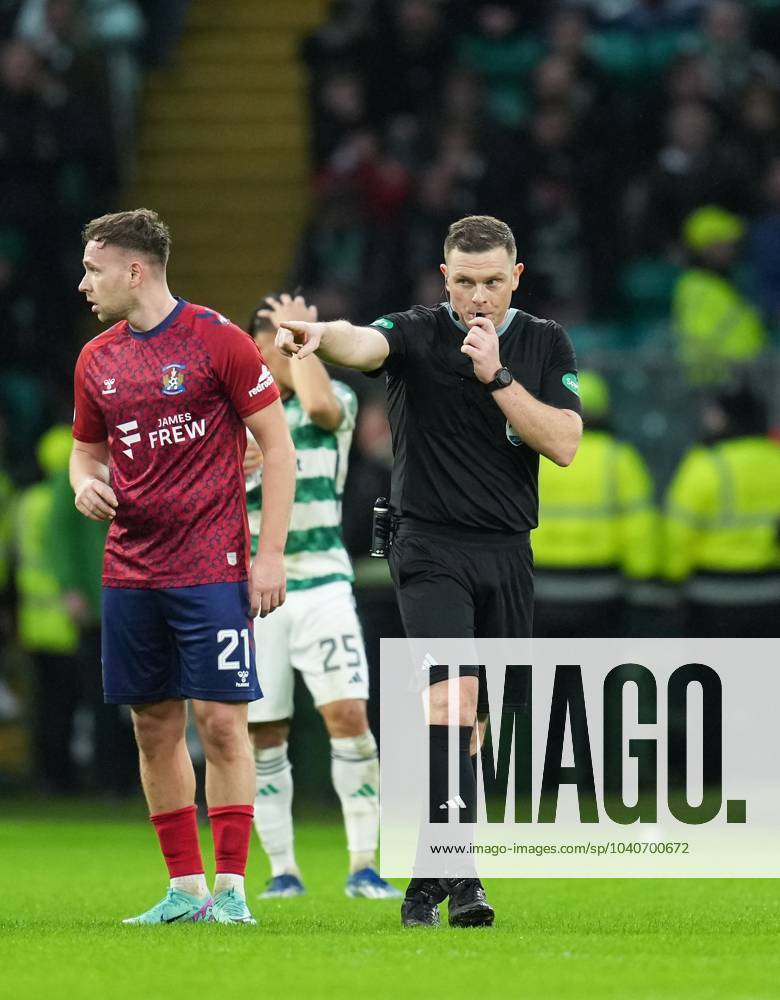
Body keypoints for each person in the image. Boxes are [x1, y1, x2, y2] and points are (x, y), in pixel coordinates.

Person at [275, 214, 583, 928]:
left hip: (506, 549)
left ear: (517, 278)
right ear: (445, 278)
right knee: (450, 704)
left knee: (473, 725)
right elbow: (368, 341)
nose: (479, 298)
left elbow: (564, 443)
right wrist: (323, 338)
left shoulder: (543, 343)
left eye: (493, 283)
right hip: (428, 547)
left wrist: (497, 374)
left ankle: (431, 873)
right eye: (466, 282)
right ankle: (464, 880)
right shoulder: (416, 331)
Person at [70, 208, 296, 925]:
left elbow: (278, 448)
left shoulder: (215, 340)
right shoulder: (95, 359)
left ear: (134, 270)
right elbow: (87, 450)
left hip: (212, 564)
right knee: (153, 726)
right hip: (131, 569)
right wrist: (84, 482)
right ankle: (185, 889)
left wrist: (269, 557)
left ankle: (231, 890)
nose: (84, 284)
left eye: (93, 269)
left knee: (224, 725)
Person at [245, 292, 400, 901]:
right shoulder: (235, 419)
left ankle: (364, 865)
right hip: (255, 596)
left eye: (283, 338)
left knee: (349, 719)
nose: (272, 348)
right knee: (265, 734)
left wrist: (301, 334)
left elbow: (316, 402)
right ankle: (283, 870)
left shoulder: (330, 401)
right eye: (265, 337)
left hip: (324, 586)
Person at [533, 370, 660, 638]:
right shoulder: (620, 458)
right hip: (603, 589)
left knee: (544, 675)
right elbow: (640, 527)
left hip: (539, 587)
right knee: (596, 674)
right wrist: (642, 578)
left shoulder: (534, 454)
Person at [663, 381, 780, 636]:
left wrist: (673, 581)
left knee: (715, 672)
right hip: (771, 591)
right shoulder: (776, 460)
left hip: (711, 595)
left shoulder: (705, 465)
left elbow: (678, 534)